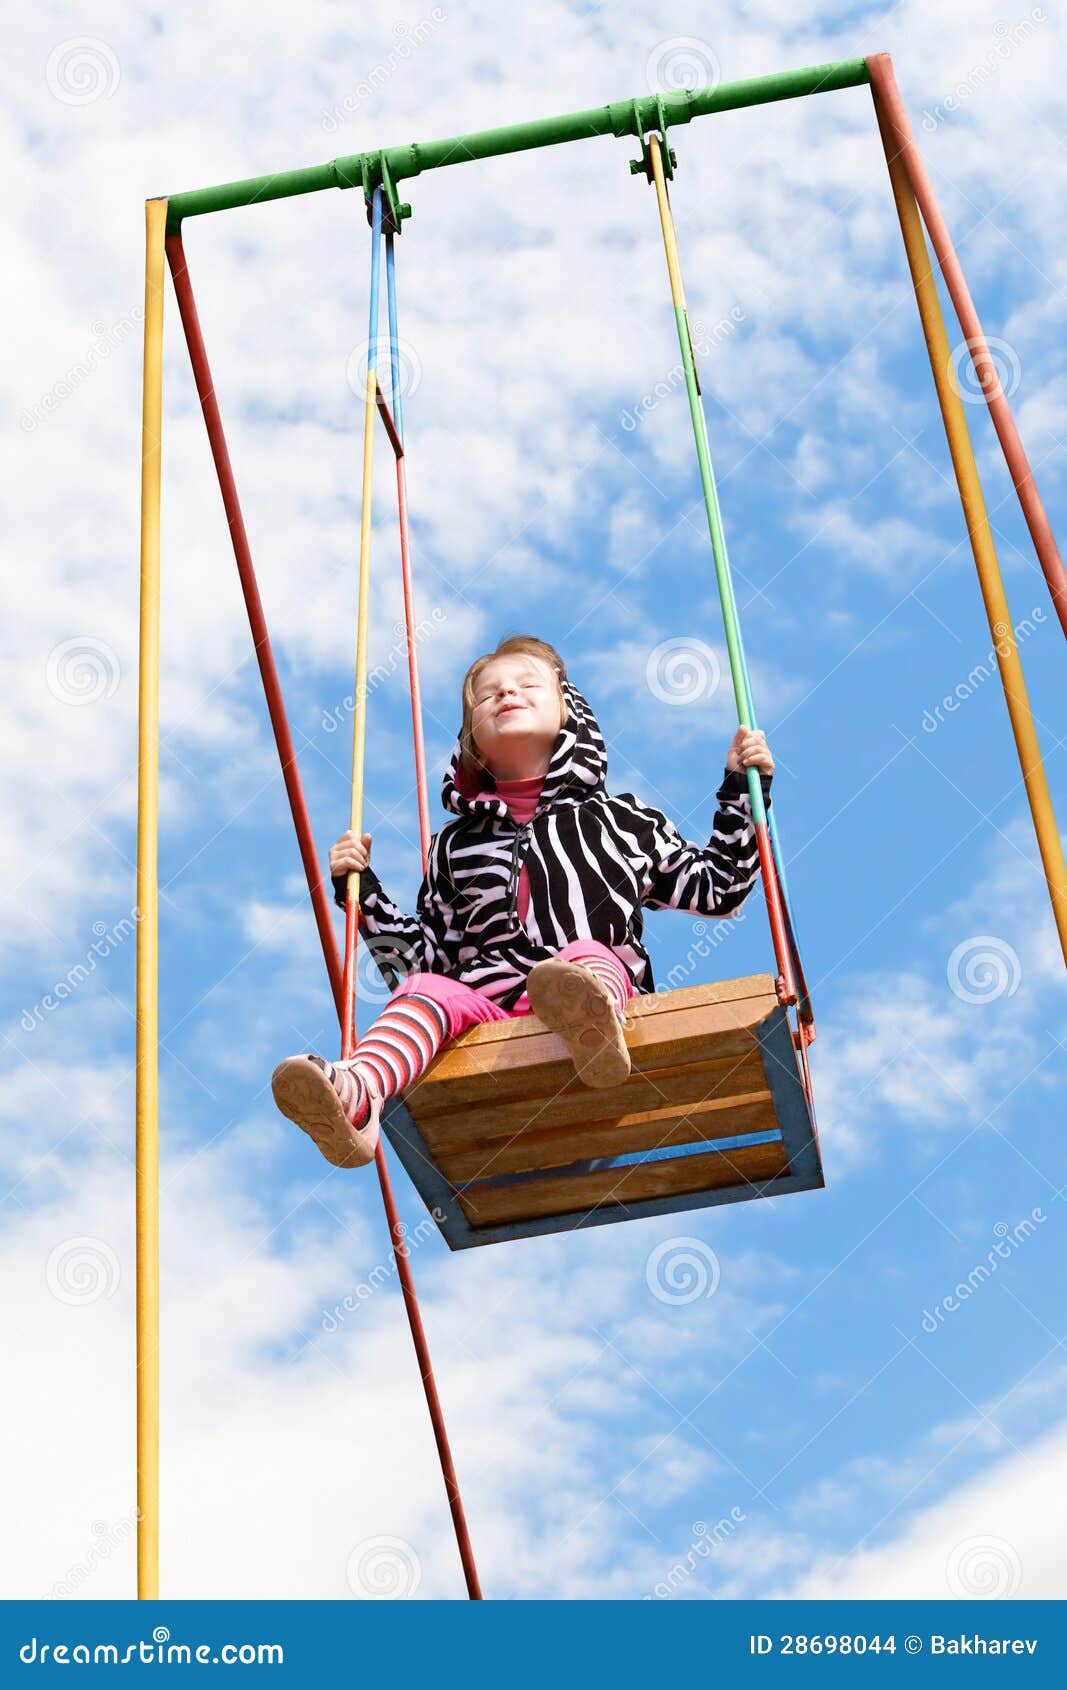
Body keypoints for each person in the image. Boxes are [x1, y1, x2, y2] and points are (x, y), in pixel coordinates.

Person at [271, 634, 774, 1168]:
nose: (506, 692)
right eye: (488, 696)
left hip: (597, 981)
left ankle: (593, 1025)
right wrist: (363, 894)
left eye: (527, 683)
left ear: (569, 712)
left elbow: (718, 887)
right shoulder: (454, 845)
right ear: (473, 741)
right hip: (489, 1014)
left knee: (585, 955)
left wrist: (743, 791)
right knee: (422, 991)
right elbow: (422, 959)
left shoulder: (622, 821)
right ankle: (357, 1095)